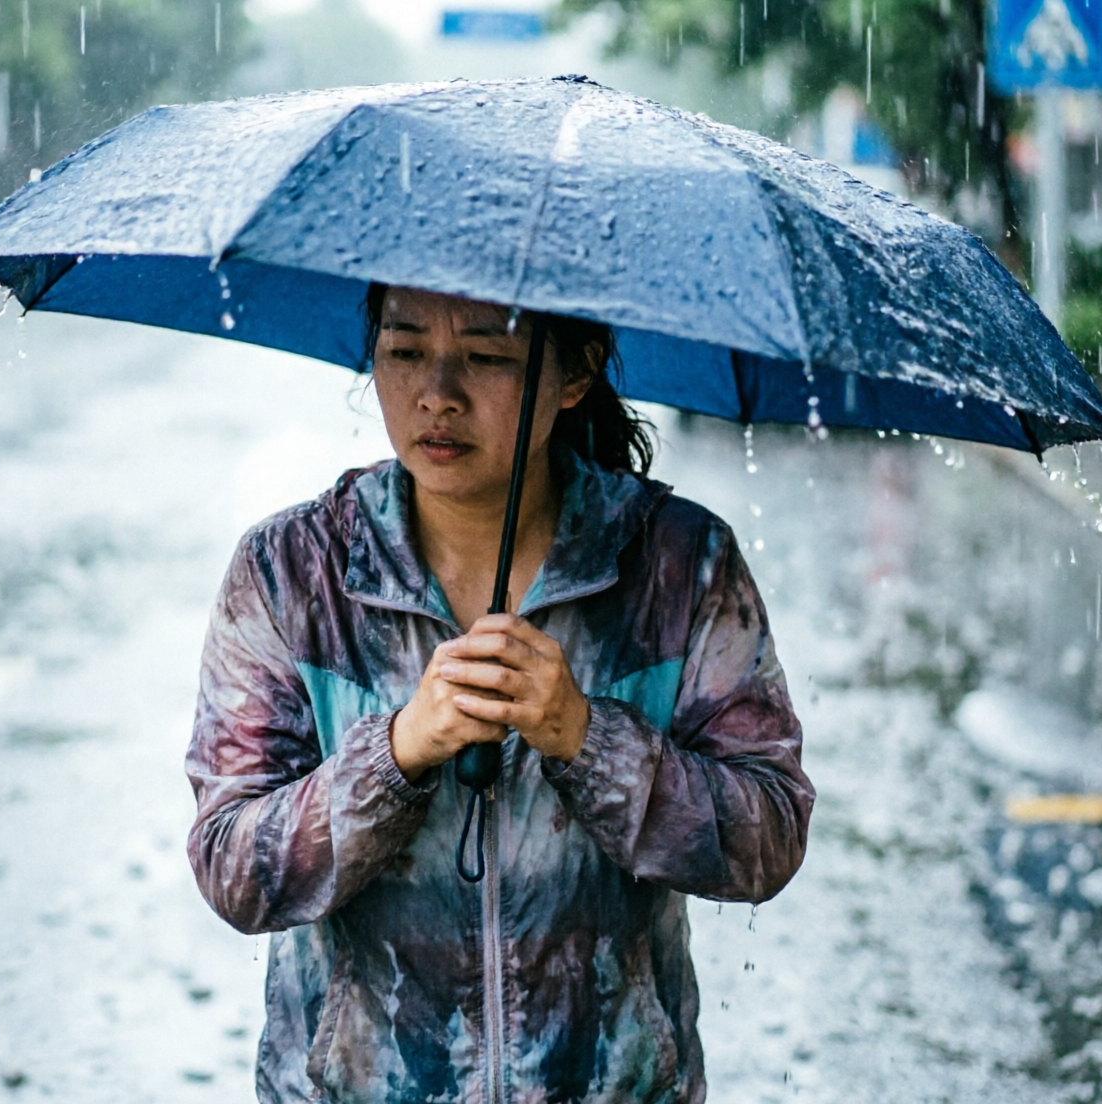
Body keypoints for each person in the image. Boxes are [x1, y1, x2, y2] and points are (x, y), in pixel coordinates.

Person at [186, 285, 814, 1104]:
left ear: (575, 374)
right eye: (404, 348)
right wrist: (398, 752)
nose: (436, 393)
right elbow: (236, 866)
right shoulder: (291, 574)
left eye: (487, 357)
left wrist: (589, 741)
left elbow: (765, 840)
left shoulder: (680, 567)